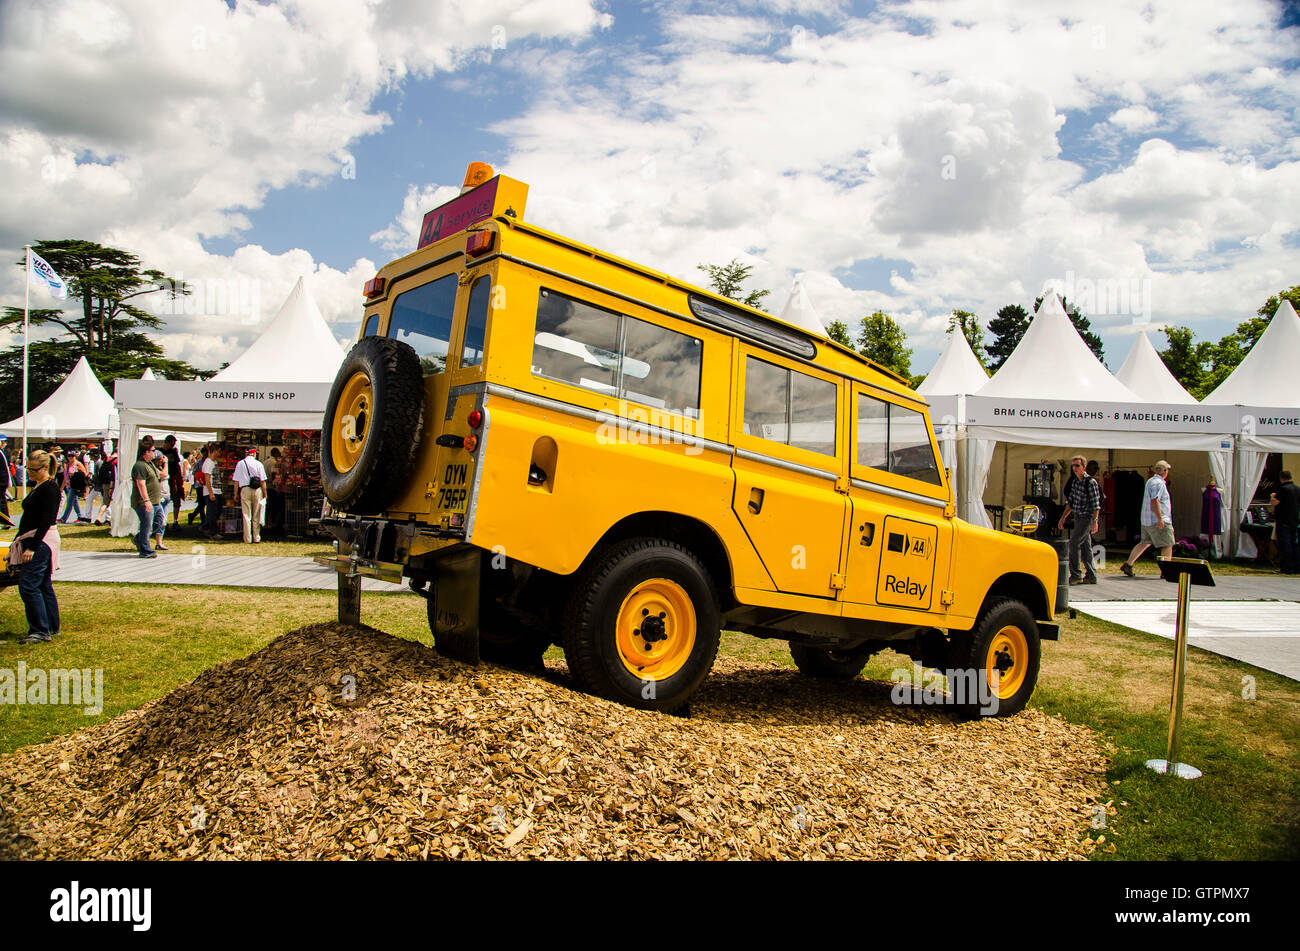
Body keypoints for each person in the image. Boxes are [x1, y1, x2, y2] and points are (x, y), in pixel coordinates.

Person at [12, 449, 61, 643]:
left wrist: (32, 546)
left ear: (45, 468)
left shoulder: (49, 488)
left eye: (34, 469)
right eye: (28, 469)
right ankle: (50, 625)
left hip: (40, 542)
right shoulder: (41, 486)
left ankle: (40, 630)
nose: (29, 473)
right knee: (42, 584)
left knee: (28, 586)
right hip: (37, 540)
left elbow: (46, 520)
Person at [1120, 461, 1173, 576]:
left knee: (1144, 542)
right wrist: (1160, 519)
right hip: (1157, 520)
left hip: (1146, 520)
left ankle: (1128, 564)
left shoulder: (1150, 481)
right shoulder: (1159, 483)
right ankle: (1166, 570)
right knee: (1167, 544)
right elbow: (1155, 500)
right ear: (1164, 471)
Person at [1058, 454, 1100, 584]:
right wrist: (1063, 518)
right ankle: (1091, 574)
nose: (1075, 468)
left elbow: (1095, 504)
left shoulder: (1091, 482)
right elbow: (1070, 502)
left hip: (1086, 517)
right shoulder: (1075, 482)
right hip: (1078, 517)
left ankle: (1076, 574)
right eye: (1073, 466)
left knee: (1074, 543)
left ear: (1084, 467)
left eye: (1077, 465)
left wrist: (1095, 521)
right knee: (1086, 546)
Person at [130, 441, 162, 558]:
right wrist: (146, 501)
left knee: (160, 523)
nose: (155, 453)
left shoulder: (150, 464)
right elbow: (140, 484)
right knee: (146, 526)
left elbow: (162, 474)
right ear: (146, 452)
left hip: (155, 501)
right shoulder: (140, 465)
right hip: (144, 502)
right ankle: (145, 550)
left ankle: (138, 539)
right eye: (153, 451)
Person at [233, 447, 268, 544]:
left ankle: (247, 538)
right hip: (257, 490)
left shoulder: (240, 464)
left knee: (246, 515)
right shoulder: (258, 464)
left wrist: (235, 493)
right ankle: (256, 537)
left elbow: (236, 480)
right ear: (254, 454)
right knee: (256, 515)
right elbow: (263, 481)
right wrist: (265, 494)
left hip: (245, 489)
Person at [1269, 470, 1300, 575]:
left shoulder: (1282, 489)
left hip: (1283, 520)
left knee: (1284, 545)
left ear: (1281, 478)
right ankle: (1296, 567)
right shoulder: (1297, 489)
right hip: (1294, 520)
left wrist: (1272, 496)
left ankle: (1286, 568)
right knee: (1294, 545)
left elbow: (1275, 502)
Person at [162, 435, 184, 527]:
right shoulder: (160, 452)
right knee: (163, 500)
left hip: (174, 479)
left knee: (176, 500)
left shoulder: (174, 452)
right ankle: (163, 520)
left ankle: (175, 520)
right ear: (166, 442)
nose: (173, 446)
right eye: (171, 444)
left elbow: (177, 464)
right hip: (165, 479)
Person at [201, 442, 223, 537]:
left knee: (218, 511)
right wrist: (210, 493)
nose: (219, 454)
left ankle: (206, 526)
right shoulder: (208, 463)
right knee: (212, 513)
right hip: (211, 491)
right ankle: (213, 532)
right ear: (213, 451)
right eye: (218, 452)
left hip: (217, 490)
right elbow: (207, 478)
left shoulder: (214, 462)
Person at [1201, 477, 1224, 559]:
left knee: (1215, 532)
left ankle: (1216, 553)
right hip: (1206, 514)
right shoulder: (1204, 490)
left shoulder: (1219, 491)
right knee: (1205, 532)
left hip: (1215, 515)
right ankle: (1205, 552)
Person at [152, 452, 171, 551]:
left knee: (163, 521)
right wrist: (166, 463)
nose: (162, 461)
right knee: (159, 521)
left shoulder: (159, 468)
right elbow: (164, 474)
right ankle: (140, 538)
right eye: (160, 459)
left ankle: (159, 542)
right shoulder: (154, 469)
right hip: (159, 497)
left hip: (165, 496)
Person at [93, 451, 116, 525]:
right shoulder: (117, 461)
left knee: (105, 502)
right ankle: (110, 519)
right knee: (114, 502)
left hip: (104, 484)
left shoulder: (106, 459)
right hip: (113, 483)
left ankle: (99, 517)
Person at [266, 447, 285, 537]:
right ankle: (274, 525)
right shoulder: (273, 462)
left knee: (268, 507)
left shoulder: (265, 461)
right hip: (272, 487)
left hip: (266, 486)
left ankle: (268, 524)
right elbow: (274, 475)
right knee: (275, 507)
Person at [0, 434, 11, 518]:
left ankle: (5, 519)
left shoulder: (4, 453)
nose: (4, 443)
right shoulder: (3, 452)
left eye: (4, 442)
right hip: (3, 479)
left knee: (1, 500)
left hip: (2, 480)